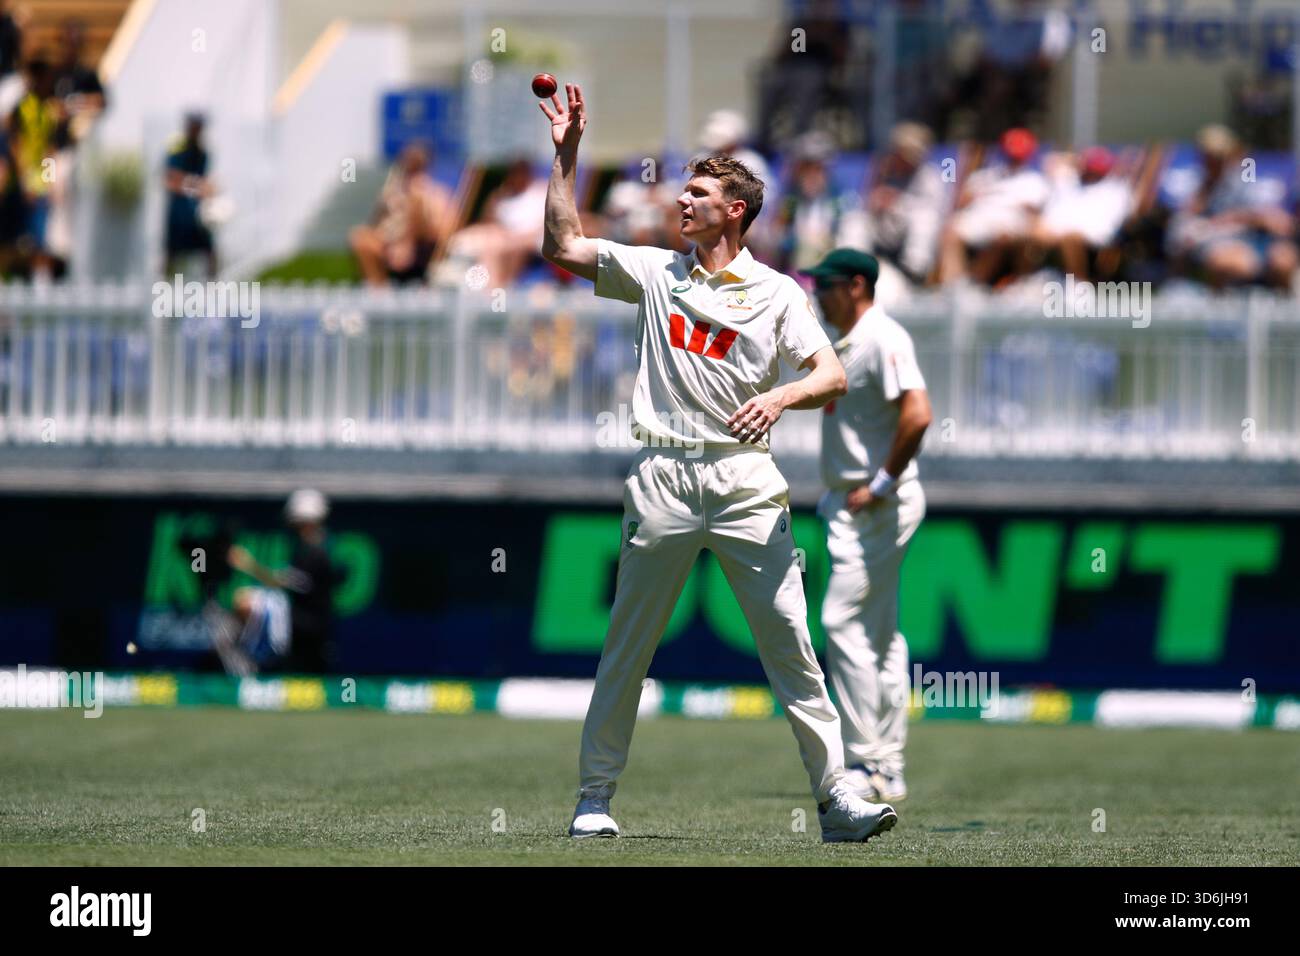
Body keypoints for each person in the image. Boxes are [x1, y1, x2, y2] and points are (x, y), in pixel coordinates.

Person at [539, 82, 898, 843]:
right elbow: (562, 248)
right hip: (664, 477)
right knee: (627, 651)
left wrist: (780, 399)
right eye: (684, 193)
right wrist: (566, 158)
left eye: (698, 194)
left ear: (737, 209)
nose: (683, 203)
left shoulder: (775, 292)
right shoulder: (655, 273)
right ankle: (593, 800)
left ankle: (837, 801)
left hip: (744, 480)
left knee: (792, 650)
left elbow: (829, 374)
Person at [802, 248, 931, 805]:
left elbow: (918, 413)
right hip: (853, 501)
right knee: (879, 637)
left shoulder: (884, 337)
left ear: (856, 285)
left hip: (877, 503)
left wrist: (880, 484)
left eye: (826, 286)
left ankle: (866, 758)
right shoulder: (845, 342)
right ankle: (889, 767)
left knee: (839, 618)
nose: (818, 296)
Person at [1166, 124, 1297, 290]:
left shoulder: (1243, 178)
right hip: (1215, 245)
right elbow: (1181, 232)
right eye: (1211, 155)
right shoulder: (1193, 185)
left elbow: (1268, 218)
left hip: (1256, 241)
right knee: (1228, 261)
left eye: (1221, 155)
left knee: (1284, 259)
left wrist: (1250, 218)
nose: (1216, 160)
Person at [227, 489, 337, 674]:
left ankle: (249, 661)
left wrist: (246, 564)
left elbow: (278, 582)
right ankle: (245, 655)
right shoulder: (304, 549)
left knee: (246, 601)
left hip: (308, 623)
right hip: (298, 618)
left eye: (299, 524)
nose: (296, 529)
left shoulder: (317, 553)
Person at [349, 141, 454, 286]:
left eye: (416, 165)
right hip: (391, 242)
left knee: (415, 201)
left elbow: (446, 231)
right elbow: (377, 223)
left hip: (423, 248)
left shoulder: (436, 193)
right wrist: (392, 240)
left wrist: (408, 240)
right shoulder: (392, 191)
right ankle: (379, 292)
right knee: (360, 237)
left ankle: (405, 249)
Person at [163, 112, 217, 276]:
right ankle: (164, 286)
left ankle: (211, 286)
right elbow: (170, 179)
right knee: (172, 251)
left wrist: (206, 189)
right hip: (180, 211)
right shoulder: (177, 149)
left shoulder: (202, 153)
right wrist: (193, 186)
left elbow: (204, 182)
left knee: (208, 250)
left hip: (196, 211)